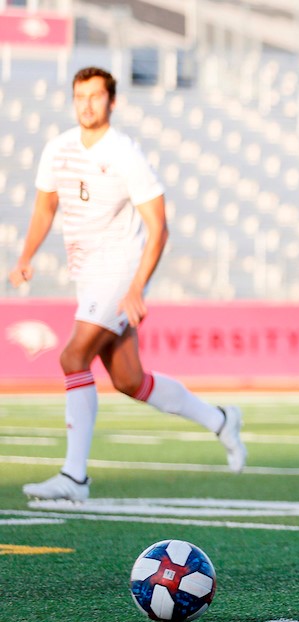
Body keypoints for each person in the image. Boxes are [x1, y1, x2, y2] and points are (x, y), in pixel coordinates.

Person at [8, 67, 247, 503]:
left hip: (119, 274)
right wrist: (26, 256)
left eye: (95, 96)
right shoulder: (58, 148)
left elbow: (159, 227)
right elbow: (45, 206)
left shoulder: (125, 153)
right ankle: (221, 420)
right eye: (80, 96)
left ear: (112, 102)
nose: (86, 104)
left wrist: (137, 287)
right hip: (88, 277)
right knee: (128, 380)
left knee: (73, 356)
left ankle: (74, 478)